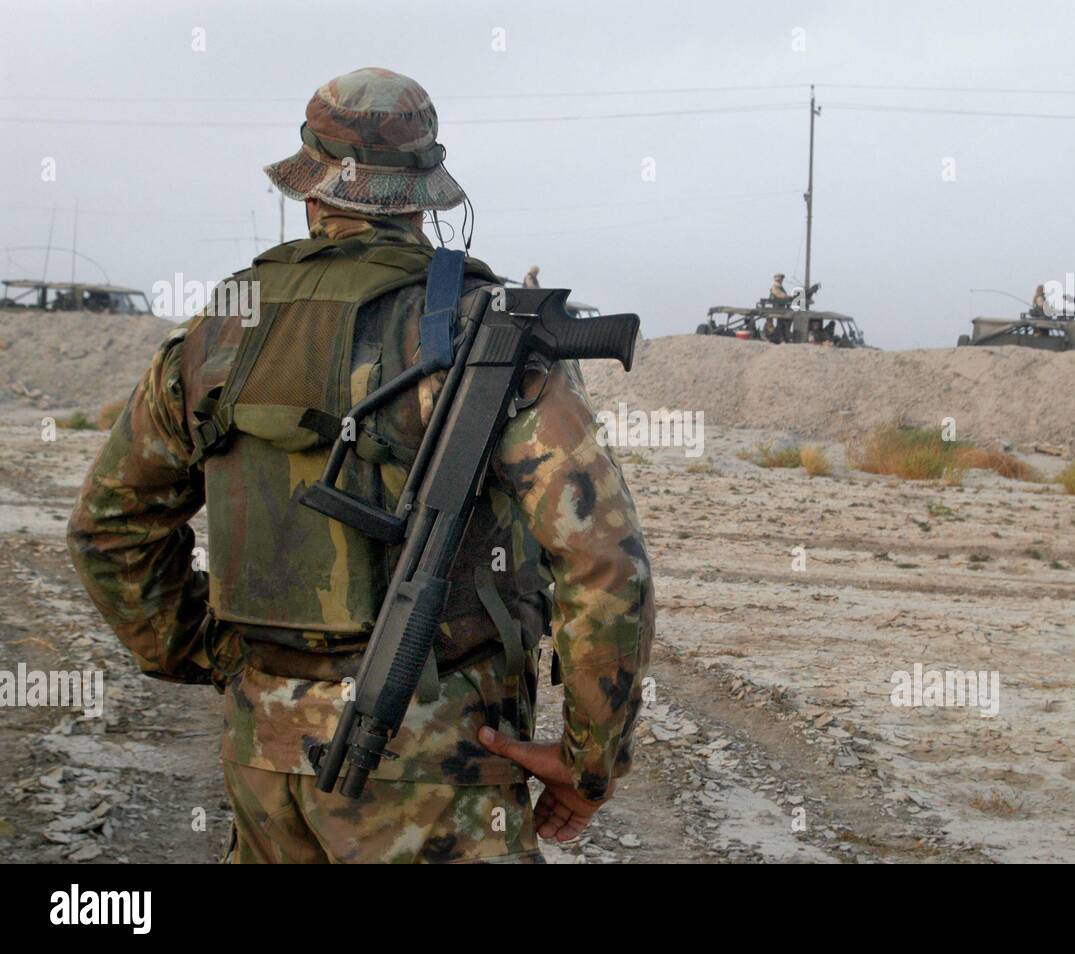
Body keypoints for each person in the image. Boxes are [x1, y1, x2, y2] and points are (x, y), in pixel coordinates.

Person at [67, 67, 654, 864]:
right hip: (440, 765)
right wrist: (590, 762)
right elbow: (604, 560)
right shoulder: (480, 330)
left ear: (311, 192)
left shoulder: (217, 334)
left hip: (265, 756)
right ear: (423, 197)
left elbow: (108, 530)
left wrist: (214, 655)